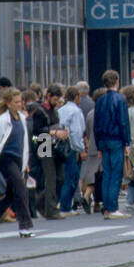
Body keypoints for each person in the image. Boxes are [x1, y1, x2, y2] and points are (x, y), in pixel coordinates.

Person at [0, 89, 34, 238]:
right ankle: (25, 226)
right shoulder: (3, 120)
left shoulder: (22, 118)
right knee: (21, 190)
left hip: (18, 159)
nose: (19, 104)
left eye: (20, 101)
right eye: (16, 102)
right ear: (9, 103)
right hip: (6, 158)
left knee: (12, 194)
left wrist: (26, 162)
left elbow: (24, 143)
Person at [93, 70, 132, 219]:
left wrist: (98, 145)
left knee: (107, 174)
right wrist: (126, 142)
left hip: (102, 139)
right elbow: (123, 122)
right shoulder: (120, 99)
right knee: (116, 174)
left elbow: (96, 124)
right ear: (117, 81)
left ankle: (107, 208)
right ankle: (113, 207)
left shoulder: (100, 100)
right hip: (116, 139)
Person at [31, 85, 67, 220]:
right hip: (44, 144)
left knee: (60, 177)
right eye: (55, 99)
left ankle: (41, 201)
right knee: (50, 178)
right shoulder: (39, 112)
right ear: (48, 96)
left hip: (54, 144)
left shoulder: (55, 112)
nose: (56, 103)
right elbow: (37, 131)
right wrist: (54, 132)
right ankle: (51, 209)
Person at [57, 85, 88, 213]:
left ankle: (63, 203)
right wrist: (81, 148)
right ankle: (65, 205)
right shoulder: (76, 111)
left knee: (64, 176)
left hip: (59, 145)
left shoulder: (61, 109)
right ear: (76, 97)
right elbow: (76, 132)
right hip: (70, 147)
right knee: (72, 176)